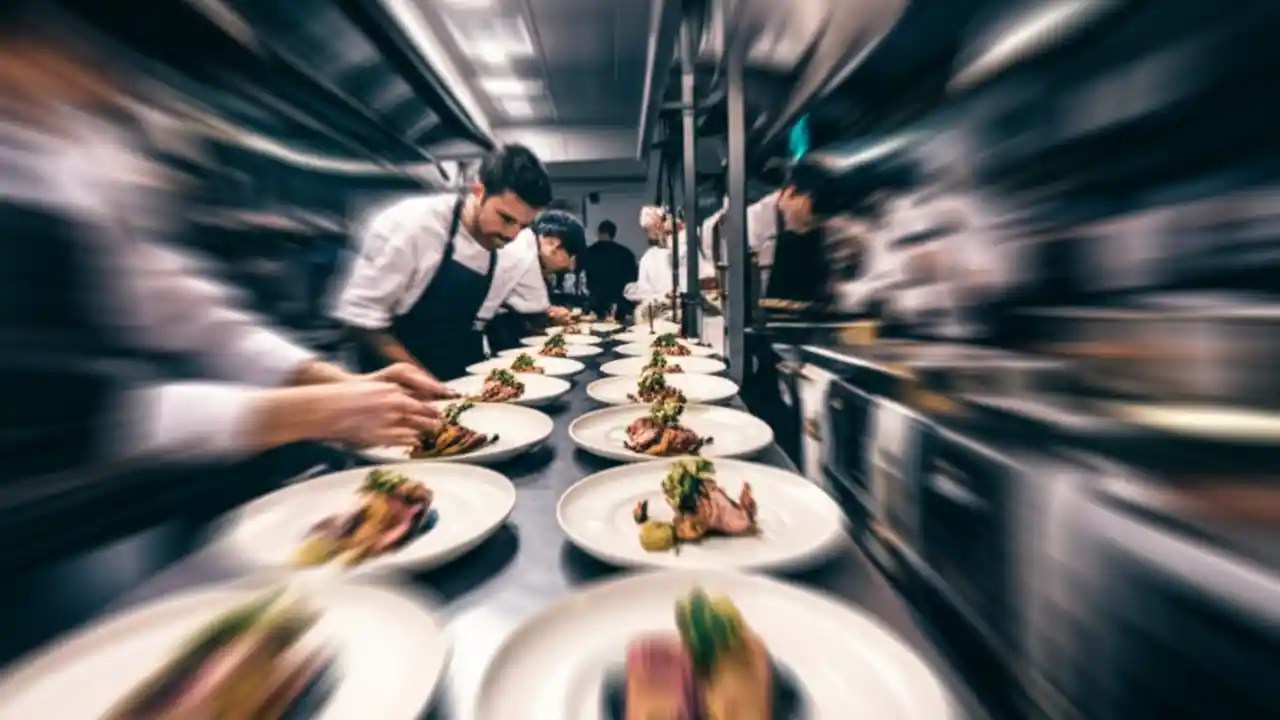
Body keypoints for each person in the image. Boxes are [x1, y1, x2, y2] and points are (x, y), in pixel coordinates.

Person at [0, 4, 451, 474]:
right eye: (87, 58)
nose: (109, 83)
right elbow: (52, 410)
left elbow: (179, 308)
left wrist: (337, 384)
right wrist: (312, 411)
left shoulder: (79, 147)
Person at [331, 144, 553, 380]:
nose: (511, 234)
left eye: (523, 225)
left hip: (458, 373)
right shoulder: (413, 225)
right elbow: (362, 320)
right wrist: (420, 380)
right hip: (393, 379)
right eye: (506, 219)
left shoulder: (509, 246)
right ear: (479, 191)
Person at [485, 209, 587, 352]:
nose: (568, 266)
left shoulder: (527, 245)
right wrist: (547, 312)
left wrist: (548, 310)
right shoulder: (521, 253)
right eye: (571, 258)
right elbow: (533, 304)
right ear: (553, 244)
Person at [624, 206, 715, 316]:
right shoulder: (649, 257)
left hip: (687, 309)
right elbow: (644, 289)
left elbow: (706, 278)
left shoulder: (686, 246)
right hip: (665, 312)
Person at [580, 219, 638, 320]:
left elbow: (579, 277)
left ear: (598, 232)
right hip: (619, 301)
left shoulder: (588, 252)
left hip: (595, 301)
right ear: (614, 234)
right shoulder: (626, 253)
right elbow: (633, 279)